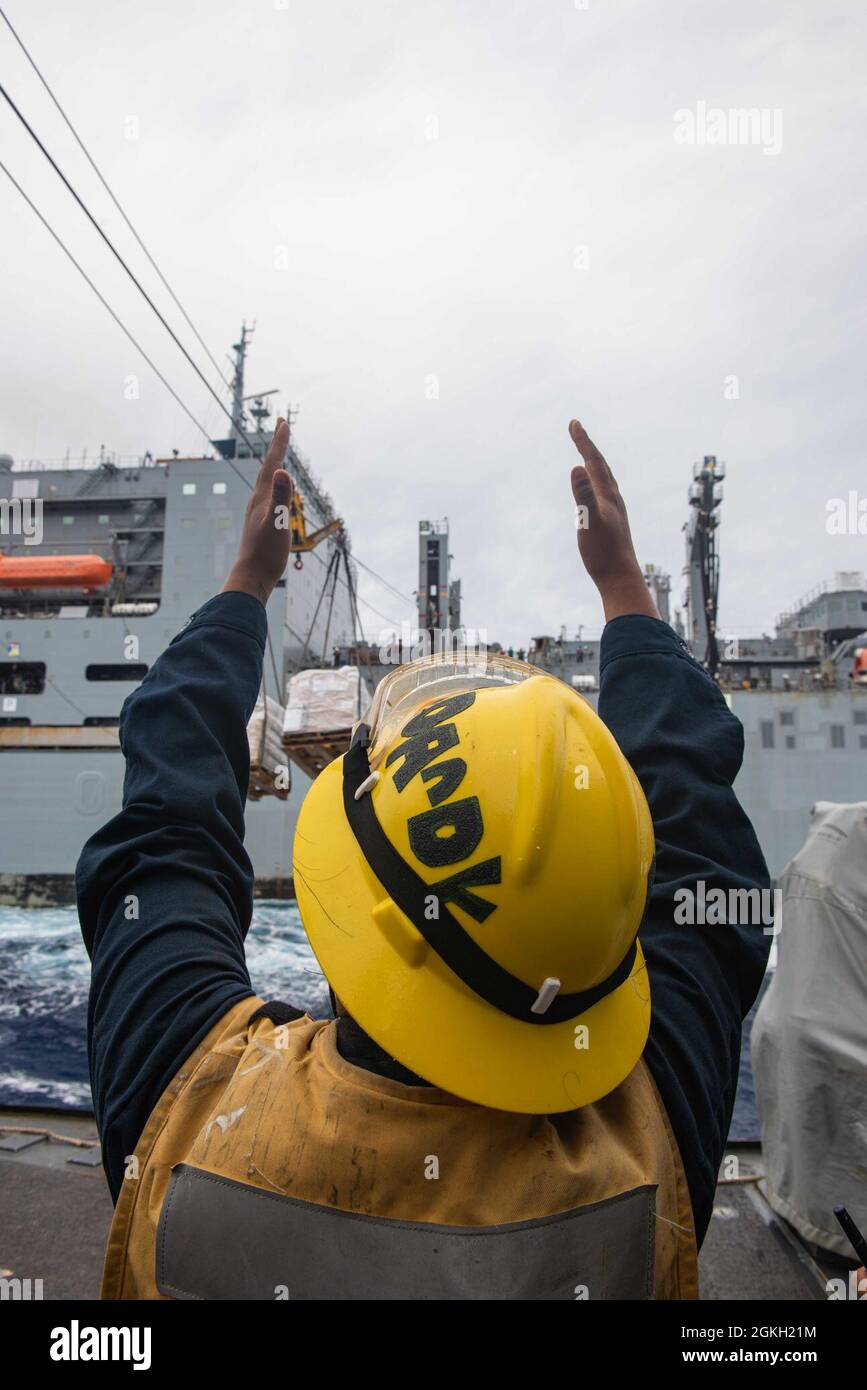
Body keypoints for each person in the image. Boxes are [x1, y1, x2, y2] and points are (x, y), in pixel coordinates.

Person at [77, 418, 771, 1300]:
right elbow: (710, 874)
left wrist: (248, 584)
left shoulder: (189, 1105)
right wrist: (624, 590)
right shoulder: (651, 1147)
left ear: (358, 904)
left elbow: (160, 837)